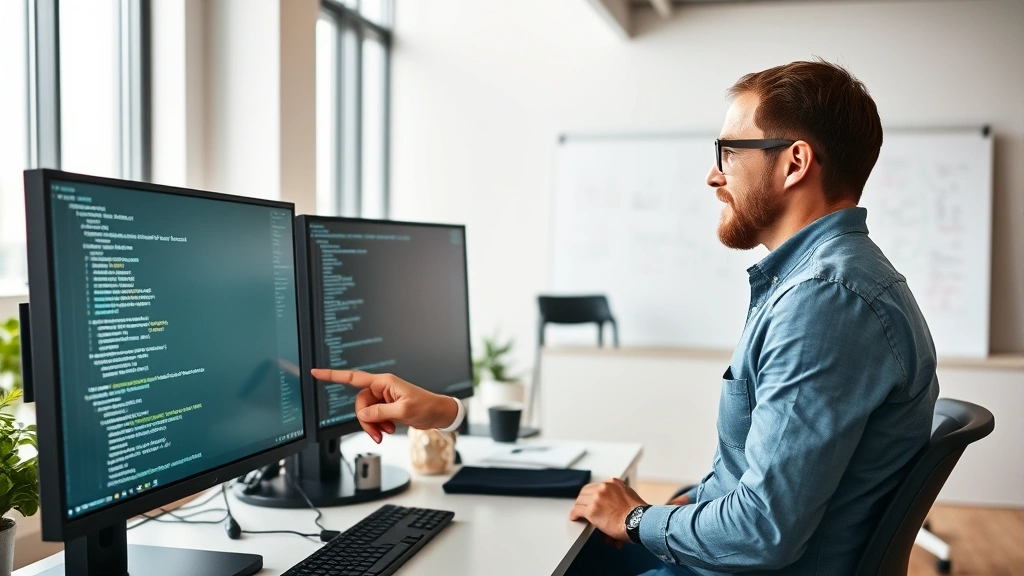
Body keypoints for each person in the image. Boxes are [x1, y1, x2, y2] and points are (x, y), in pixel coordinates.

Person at [311, 59, 940, 575]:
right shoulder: (822, 284)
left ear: (794, 162)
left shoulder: (825, 302)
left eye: (729, 149)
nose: (713, 175)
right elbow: (750, 479)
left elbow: (763, 532)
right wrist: (657, 517)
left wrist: (639, 521)